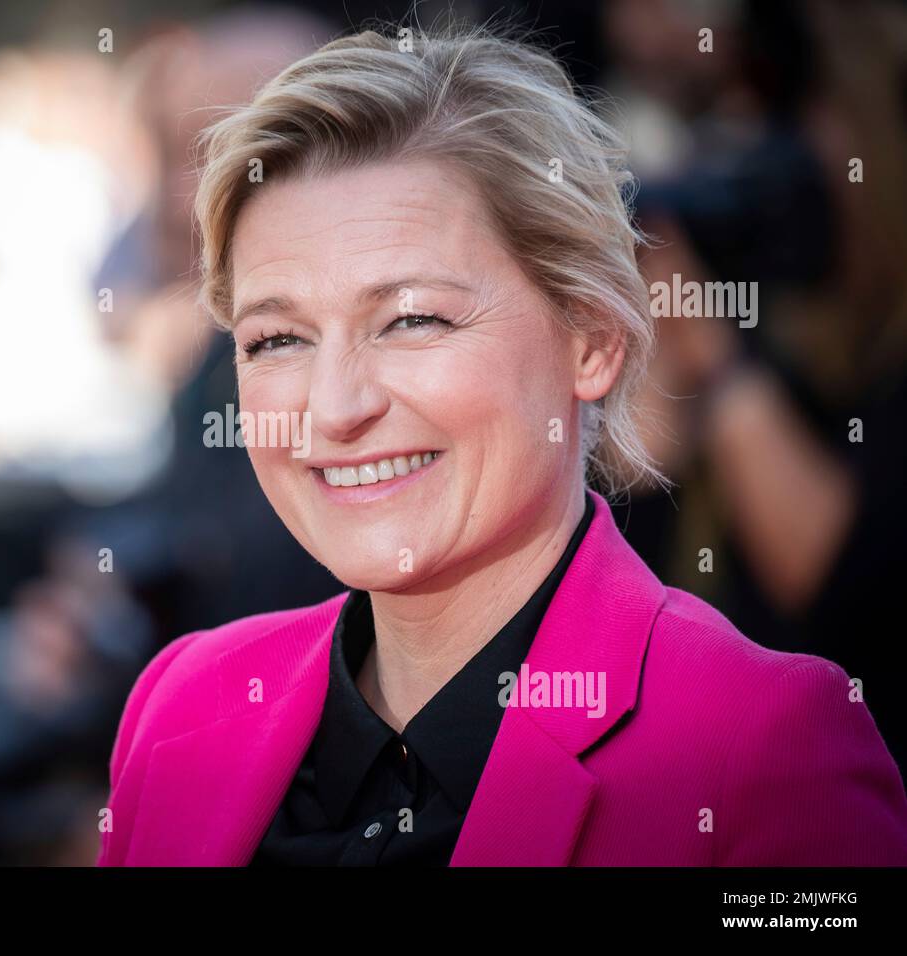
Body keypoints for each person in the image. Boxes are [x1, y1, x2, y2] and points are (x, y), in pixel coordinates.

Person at [95, 25, 907, 866]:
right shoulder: (182, 705)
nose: (334, 408)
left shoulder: (759, 747)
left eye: (413, 320)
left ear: (591, 341)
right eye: (276, 339)